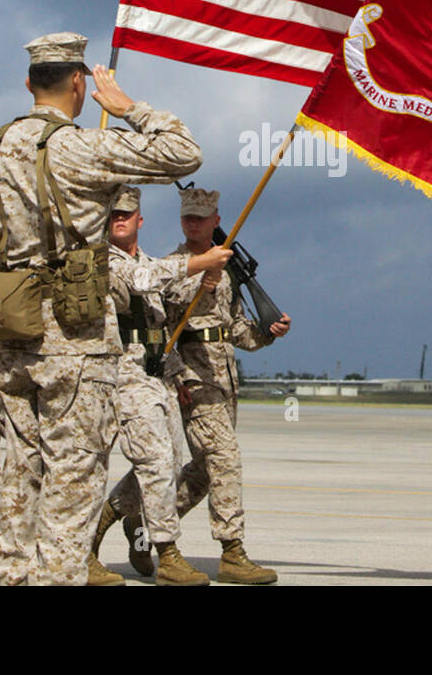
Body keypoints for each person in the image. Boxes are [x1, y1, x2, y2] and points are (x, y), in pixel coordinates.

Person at [0, 32, 202, 586]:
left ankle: (13, 577)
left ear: (27, 84)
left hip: (10, 334)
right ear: (77, 84)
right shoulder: (82, 147)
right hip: (78, 336)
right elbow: (184, 152)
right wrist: (128, 108)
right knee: (76, 473)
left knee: (19, 469)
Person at [87, 185, 230, 586]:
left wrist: (177, 372)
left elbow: (165, 320)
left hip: (159, 375)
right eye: (113, 213)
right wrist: (200, 262)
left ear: (139, 220)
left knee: (165, 464)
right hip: (123, 375)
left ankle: (98, 526)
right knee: (153, 462)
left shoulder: (148, 261)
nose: (119, 219)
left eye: (126, 214)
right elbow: (142, 278)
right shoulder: (105, 261)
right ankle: (167, 552)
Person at [161, 187, 290, 584]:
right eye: (188, 217)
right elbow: (161, 329)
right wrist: (177, 375)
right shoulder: (172, 266)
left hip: (224, 382)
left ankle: (140, 518)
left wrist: (268, 332)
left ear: (217, 221)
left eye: (201, 217)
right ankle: (232, 551)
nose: (194, 223)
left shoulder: (228, 266)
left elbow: (235, 329)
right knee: (226, 460)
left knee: (202, 473)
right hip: (194, 383)